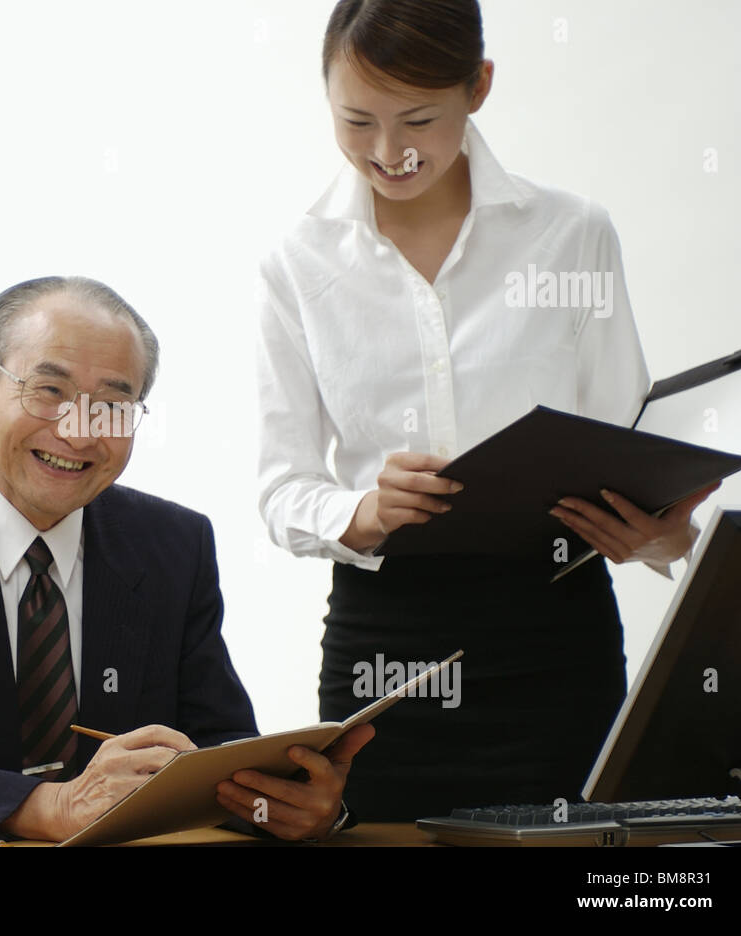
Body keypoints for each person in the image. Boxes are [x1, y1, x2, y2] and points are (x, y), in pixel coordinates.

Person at [256, 0, 716, 821]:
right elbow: (283, 485)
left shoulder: (572, 234)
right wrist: (362, 510)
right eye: (355, 120)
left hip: (553, 645)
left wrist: (660, 533)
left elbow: (627, 449)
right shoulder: (297, 261)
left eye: (420, 120)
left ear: (480, 87)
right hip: (385, 654)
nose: (388, 152)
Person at [0, 275, 372, 842]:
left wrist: (293, 807)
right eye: (49, 391)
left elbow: (217, 751)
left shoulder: (173, 544)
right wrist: (47, 806)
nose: (77, 433)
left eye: (112, 406)